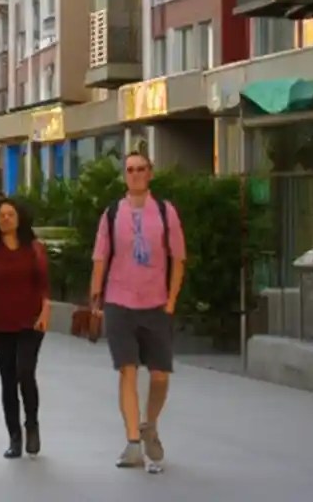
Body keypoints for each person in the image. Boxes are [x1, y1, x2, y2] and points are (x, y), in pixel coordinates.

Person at [89, 151, 186, 474]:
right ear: (125, 176)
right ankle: (133, 443)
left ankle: (150, 424)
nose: (135, 174)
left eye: (141, 169)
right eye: (130, 170)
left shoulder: (165, 211)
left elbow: (178, 258)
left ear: (150, 173)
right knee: (127, 370)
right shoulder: (113, 212)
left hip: (156, 303)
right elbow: (100, 256)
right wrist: (95, 297)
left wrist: (171, 300)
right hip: (119, 301)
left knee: (159, 375)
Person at [0, 198, 51, 459]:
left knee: (25, 372)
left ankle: (32, 424)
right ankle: (14, 437)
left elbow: (43, 283)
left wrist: (46, 310)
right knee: (8, 379)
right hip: (0, 321)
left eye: (10, 214)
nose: (6, 219)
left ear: (19, 218)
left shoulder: (34, 248)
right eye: (1, 215)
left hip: (31, 320)